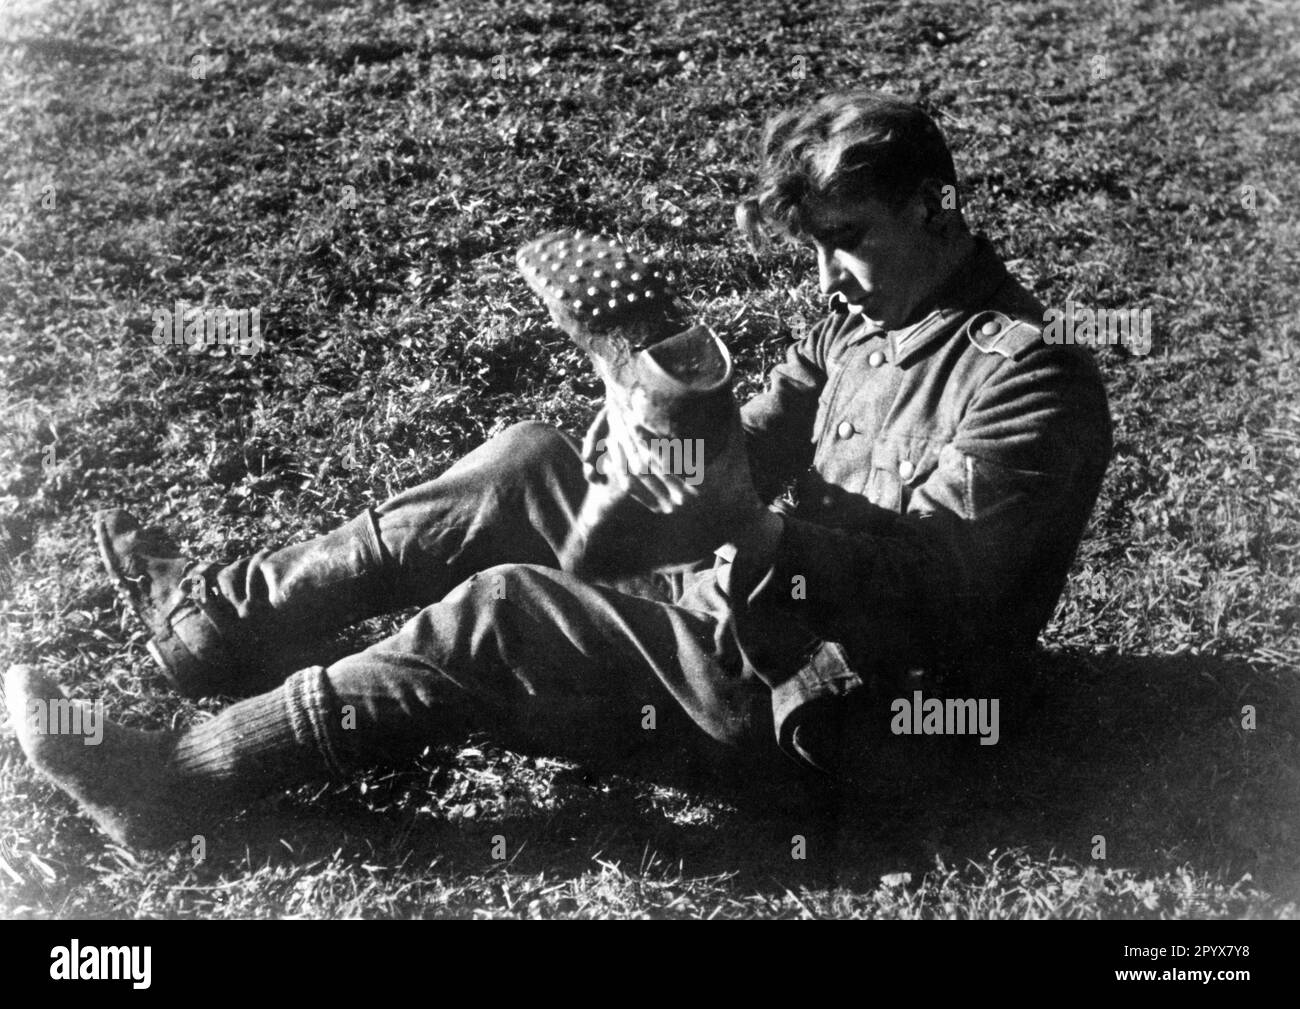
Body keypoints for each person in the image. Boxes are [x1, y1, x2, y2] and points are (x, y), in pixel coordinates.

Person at [5, 90, 1112, 848]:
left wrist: (742, 529)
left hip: (850, 718)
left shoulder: (1031, 379)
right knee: (525, 464)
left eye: (849, 238)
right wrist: (649, 439)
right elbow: (750, 440)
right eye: (813, 247)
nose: (827, 276)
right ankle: (223, 627)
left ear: (932, 206)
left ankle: (172, 784)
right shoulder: (855, 324)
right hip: (757, 609)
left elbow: (937, 597)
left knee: (501, 617)